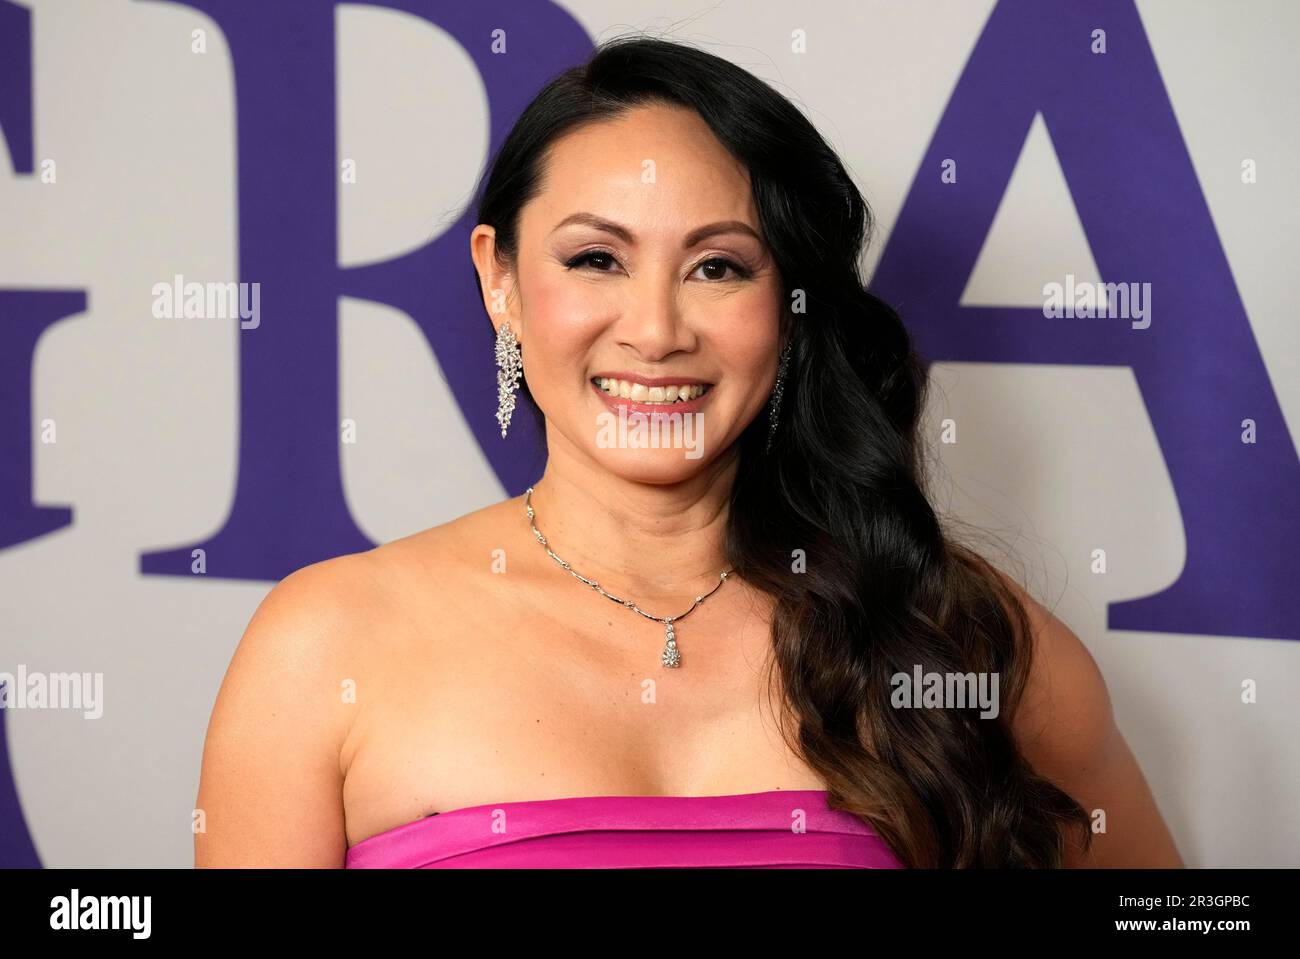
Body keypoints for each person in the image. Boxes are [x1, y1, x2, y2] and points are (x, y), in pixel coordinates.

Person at [194, 35, 1183, 868]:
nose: (656, 330)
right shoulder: (324, 644)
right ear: (500, 281)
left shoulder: (955, 630)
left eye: (718, 265)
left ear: (790, 307)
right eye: (595, 259)